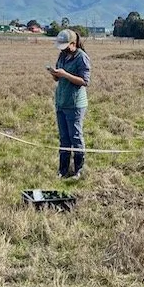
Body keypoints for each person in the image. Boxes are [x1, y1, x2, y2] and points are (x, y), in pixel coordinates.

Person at [48, 28, 91, 179]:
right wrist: (55, 75)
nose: (64, 49)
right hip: (61, 101)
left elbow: (84, 81)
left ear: (73, 44)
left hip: (75, 104)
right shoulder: (62, 56)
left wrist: (65, 74)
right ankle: (63, 170)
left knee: (76, 137)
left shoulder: (82, 57)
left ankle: (78, 170)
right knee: (64, 138)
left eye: (66, 46)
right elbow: (59, 79)